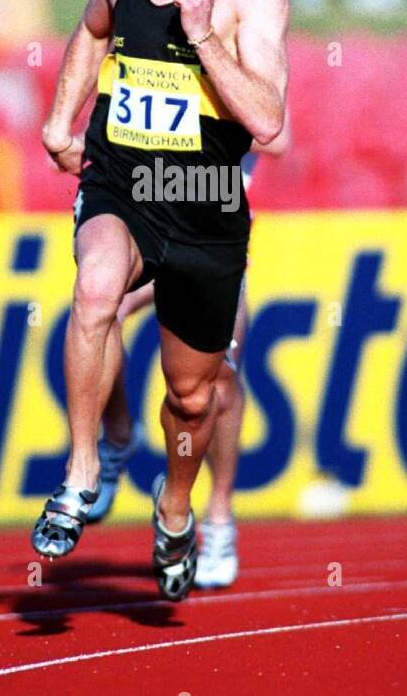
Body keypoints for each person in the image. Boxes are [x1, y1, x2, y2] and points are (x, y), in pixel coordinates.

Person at [31, 0, 289, 602]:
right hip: (121, 182)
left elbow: (270, 123)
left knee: (194, 394)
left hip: (206, 200)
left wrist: (204, 35)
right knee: (94, 289)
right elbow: (91, 31)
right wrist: (58, 121)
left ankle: (180, 510)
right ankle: (84, 469)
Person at [87, 114, 291, 590]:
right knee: (103, 311)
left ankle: (219, 514)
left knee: (221, 372)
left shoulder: (235, 49)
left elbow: (278, 135)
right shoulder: (153, 51)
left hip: (211, 240)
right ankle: (118, 436)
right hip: (152, 221)